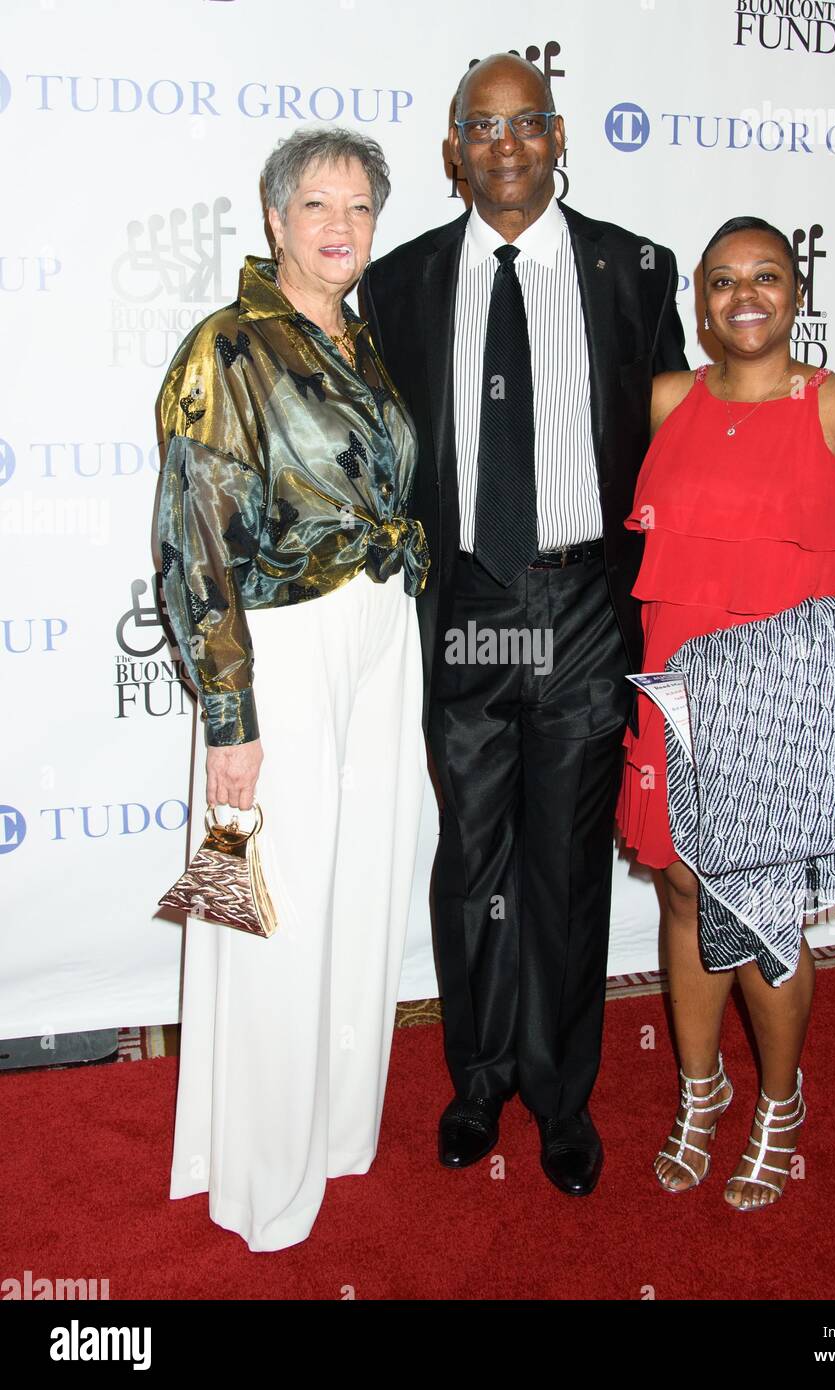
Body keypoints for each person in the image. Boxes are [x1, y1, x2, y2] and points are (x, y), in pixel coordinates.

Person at [361, 53, 687, 1196]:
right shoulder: (398, 285)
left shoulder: (634, 272)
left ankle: (560, 1095)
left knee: (563, 863)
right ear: (455, 149)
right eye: (482, 129)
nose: (506, 146)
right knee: (474, 858)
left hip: (587, 602)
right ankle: (478, 1078)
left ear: (559, 137)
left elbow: (680, 450)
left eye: (527, 124)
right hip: (471, 606)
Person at [154, 127, 429, 1251]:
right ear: (273, 219)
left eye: (360, 207)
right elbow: (193, 542)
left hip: (380, 632)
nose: (339, 224)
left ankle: (331, 1131)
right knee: (271, 906)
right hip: (281, 645)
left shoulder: (361, 340)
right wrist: (232, 717)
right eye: (316, 203)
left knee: (360, 888)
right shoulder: (226, 346)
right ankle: (261, 1176)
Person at [616, 215, 835, 1210]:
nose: (746, 295)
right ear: (699, 305)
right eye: (724, 281)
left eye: (767, 277)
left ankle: (778, 1101)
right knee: (687, 896)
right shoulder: (662, 400)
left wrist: (782, 658)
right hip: (672, 689)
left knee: (762, 913)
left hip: (781, 693)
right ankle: (700, 1091)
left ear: (796, 293)